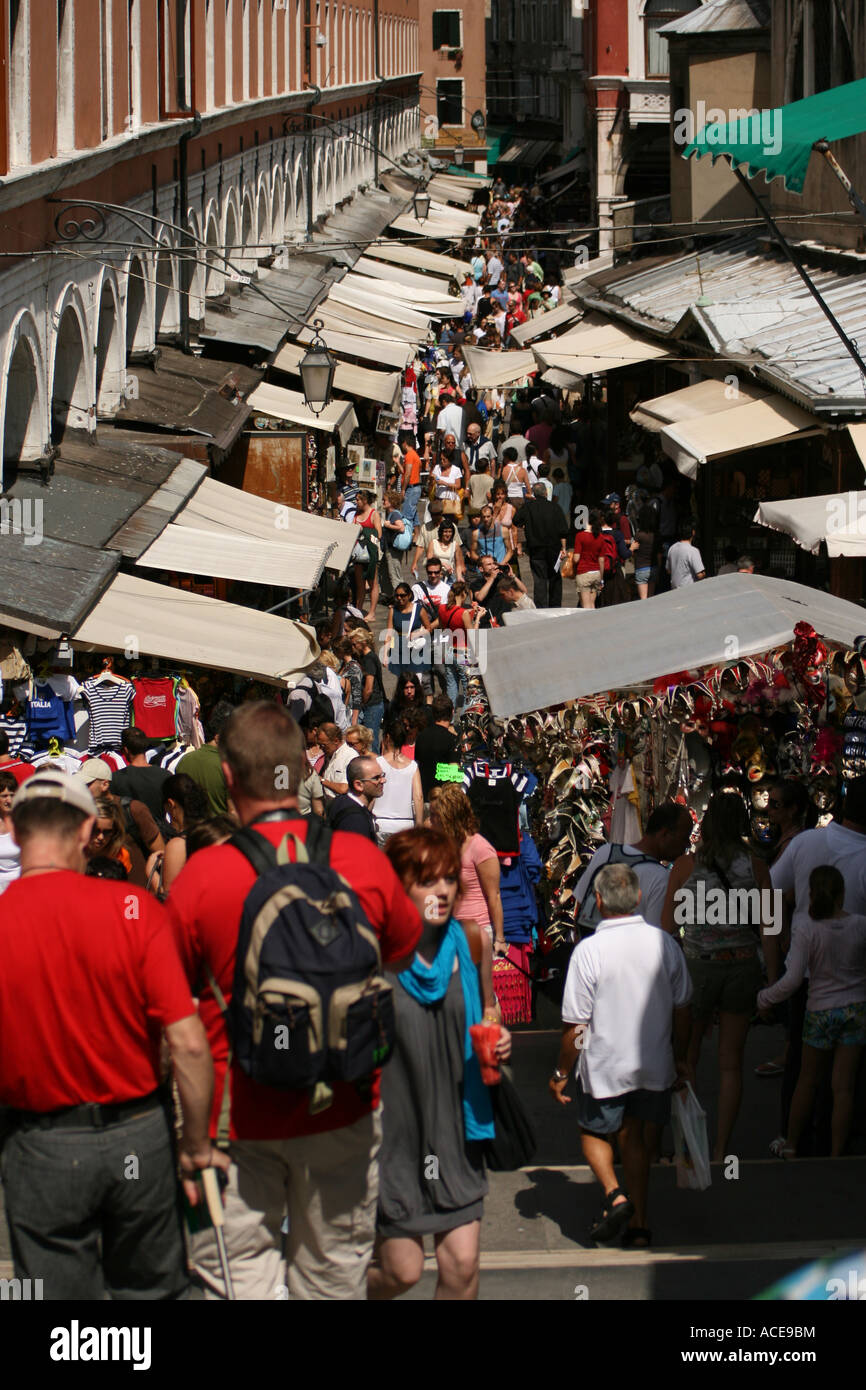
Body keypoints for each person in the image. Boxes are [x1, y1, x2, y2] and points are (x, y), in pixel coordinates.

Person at [166, 703, 421, 1300]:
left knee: (231, 1281)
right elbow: (402, 958)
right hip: (345, 1109)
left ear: (229, 778)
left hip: (233, 1125)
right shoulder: (362, 861)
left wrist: (192, 1146)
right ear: (302, 769)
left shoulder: (201, 879)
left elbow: (175, 1022)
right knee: (333, 1282)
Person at [0, 769, 219, 1300]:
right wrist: (194, 1144)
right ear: (83, 833)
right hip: (136, 1134)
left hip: (41, 1144)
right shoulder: (133, 909)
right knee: (150, 1292)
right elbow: (188, 1043)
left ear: (16, 834)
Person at [369, 828, 511, 1300]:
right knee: (402, 1271)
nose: (443, 890)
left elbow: (488, 1006)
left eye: (450, 878)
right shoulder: (375, 953)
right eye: (428, 880)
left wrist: (497, 1031)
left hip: (457, 1125)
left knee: (462, 1265)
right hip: (395, 1133)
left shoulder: (471, 941)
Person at [551, 863, 692, 1249]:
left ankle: (615, 1194)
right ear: (639, 898)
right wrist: (680, 1058)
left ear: (597, 901)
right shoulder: (666, 945)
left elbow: (577, 1026)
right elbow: (684, 1010)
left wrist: (563, 1070)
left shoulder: (588, 952)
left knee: (593, 1131)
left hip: (605, 1066)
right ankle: (640, 1225)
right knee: (637, 1140)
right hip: (654, 1064)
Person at [662, 791, 774, 1162]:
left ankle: (687, 1147)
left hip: (698, 967)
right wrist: (772, 982)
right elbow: (769, 928)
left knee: (687, 1059)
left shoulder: (685, 867)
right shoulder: (757, 868)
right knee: (730, 1063)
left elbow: (667, 928)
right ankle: (722, 1150)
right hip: (741, 967)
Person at [769, 775, 866, 1152]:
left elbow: (770, 893)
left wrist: (776, 947)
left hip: (808, 978)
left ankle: (793, 1138)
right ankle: (837, 1144)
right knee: (846, 1078)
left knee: (803, 1067)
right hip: (854, 985)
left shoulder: (807, 841)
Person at [757, 865, 866, 1159]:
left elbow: (792, 980)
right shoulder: (859, 925)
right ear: (842, 894)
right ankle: (837, 1150)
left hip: (820, 1010)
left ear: (811, 894)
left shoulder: (807, 927)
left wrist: (765, 997)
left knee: (808, 1079)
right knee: (844, 1087)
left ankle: (791, 1143)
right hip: (855, 1009)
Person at [575, 802, 693, 932]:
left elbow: (580, 910)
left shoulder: (606, 852)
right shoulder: (661, 879)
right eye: (684, 838)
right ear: (664, 834)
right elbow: (655, 940)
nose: (687, 845)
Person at [429, 785, 508, 958]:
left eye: (435, 816)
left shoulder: (480, 848)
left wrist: (500, 939)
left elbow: (494, 896)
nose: (430, 820)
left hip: (476, 932)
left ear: (449, 818)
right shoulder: (440, 847)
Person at [146, 772, 210, 899]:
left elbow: (171, 900)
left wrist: (152, 874)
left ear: (171, 804)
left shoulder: (178, 845)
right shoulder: (217, 831)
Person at [512, 483, 568, 609]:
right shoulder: (555, 507)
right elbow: (563, 530)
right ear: (546, 493)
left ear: (534, 494)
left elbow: (516, 520)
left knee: (539, 579)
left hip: (536, 548)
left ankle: (541, 606)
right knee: (555, 577)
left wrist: (525, 525)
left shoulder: (528, 507)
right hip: (553, 548)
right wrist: (563, 548)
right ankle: (555, 605)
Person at [177, 699, 235, 816]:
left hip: (192, 831)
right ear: (218, 737)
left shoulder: (184, 761)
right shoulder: (230, 767)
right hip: (221, 831)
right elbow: (233, 813)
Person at [375, 716, 423, 845]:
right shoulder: (413, 766)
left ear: (387, 737)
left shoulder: (377, 763)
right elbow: (418, 797)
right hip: (405, 824)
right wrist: (419, 825)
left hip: (380, 823)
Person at [112, 726, 170, 824]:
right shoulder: (165, 776)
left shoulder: (116, 778)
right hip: (160, 834)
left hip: (129, 836)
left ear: (125, 750)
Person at [326, 754, 386, 841]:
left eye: (382, 775)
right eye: (377, 778)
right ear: (358, 785)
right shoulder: (355, 820)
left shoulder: (340, 801)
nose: (383, 780)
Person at [414, 695, 459, 803]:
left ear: (433, 714)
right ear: (452, 712)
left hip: (424, 797)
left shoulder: (420, 737)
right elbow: (455, 775)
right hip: (443, 801)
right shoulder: (453, 740)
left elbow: (416, 765)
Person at [350, 627, 386, 754]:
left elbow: (369, 688)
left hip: (373, 705)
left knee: (371, 741)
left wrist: (362, 703)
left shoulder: (369, 659)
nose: (353, 647)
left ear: (363, 643)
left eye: (354, 644)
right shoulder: (366, 658)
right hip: (373, 704)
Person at [352, 490, 384, 622]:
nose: (356, 502)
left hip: (370, 554)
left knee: (372, 583)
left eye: (358, 500)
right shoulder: (356, 514)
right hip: (359, 554)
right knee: (359, 584)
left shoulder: (373, 514)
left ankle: (372, 613)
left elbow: (378, 534)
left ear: (365, 501)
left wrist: (363, 531)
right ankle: (358, 609)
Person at [572, 508, 606, 609]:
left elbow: (576, 559)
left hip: (583, 573)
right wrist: (601, 578)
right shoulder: (600, 537)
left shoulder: (580, 536)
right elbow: (602, 560)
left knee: (585, 606)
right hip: (596, 574)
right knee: (592, 604)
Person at [380, 487, 409, 604]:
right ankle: (392, 597)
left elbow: (401, 528)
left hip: (393, 550)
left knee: (395, 574)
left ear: (391, 502)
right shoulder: (391, 514)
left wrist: (387, 525)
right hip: (389, 549)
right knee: (386, 572)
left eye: (385, 500)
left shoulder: (394, 514)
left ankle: (402, 600)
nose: (383, 502)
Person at [317, 720, 358, 801]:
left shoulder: (349, 756)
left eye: (323, 745)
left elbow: (343, 789)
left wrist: (321, 780)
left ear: (336, 741)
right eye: (319, 744)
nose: (321, 748)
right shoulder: (330, 753)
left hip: (339, 804)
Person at [666, 520, 706, 588]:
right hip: (689, 590)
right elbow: (699, 575)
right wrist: (704, 573)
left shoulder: (672, 548)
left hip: (674, 590)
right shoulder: (693, 551)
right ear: (693, 532)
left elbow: (668, 571)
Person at [633, 504, 660, 600]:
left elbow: (633, 552)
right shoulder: (656, 535)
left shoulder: (639, 535)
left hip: (641, 568)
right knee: (651, 598)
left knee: (643, 600)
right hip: (654, 568)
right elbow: (659, 554)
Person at [0, 770, 20, 891]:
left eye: (12, 795)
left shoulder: (23, 821)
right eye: (4, 796)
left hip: (21, 884)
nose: (9, 800)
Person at [400, 435, 424, 531]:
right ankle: (417, 535)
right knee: (413, 514)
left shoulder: (409, 455)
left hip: (411, 487)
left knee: (407, 515)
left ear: (405, 443)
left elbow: (408, 474)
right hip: (416, 487)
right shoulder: (415, 455)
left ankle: (407, 537)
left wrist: (403, 489)